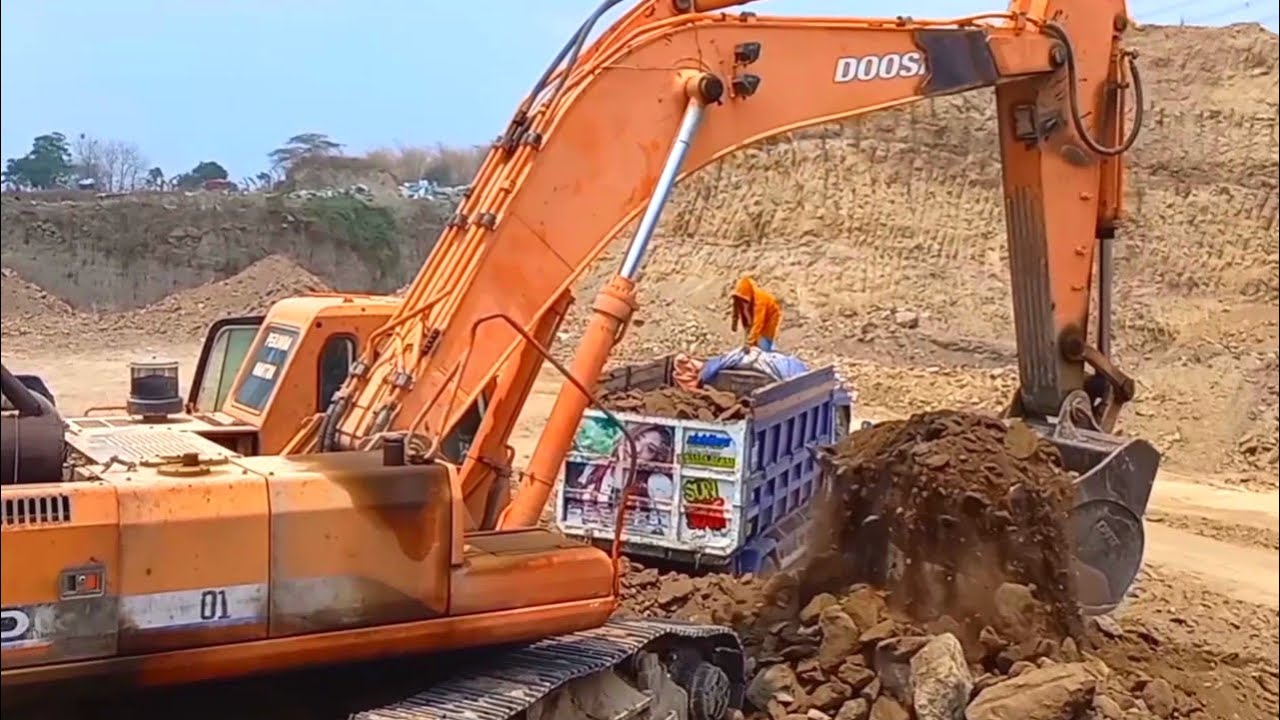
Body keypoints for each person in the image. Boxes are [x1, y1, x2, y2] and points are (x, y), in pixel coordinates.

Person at [730, 276, 781, 351]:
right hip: (752, 315)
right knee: (751, 343)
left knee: (763, 343)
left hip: (769, 316)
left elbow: (758, 323)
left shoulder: (760, 301)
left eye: (745, 301)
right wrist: (734, 323)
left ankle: (768, 349)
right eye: (741, 301)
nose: (743, 304)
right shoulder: (739, 299)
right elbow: (736, 309)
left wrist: (749, 343)